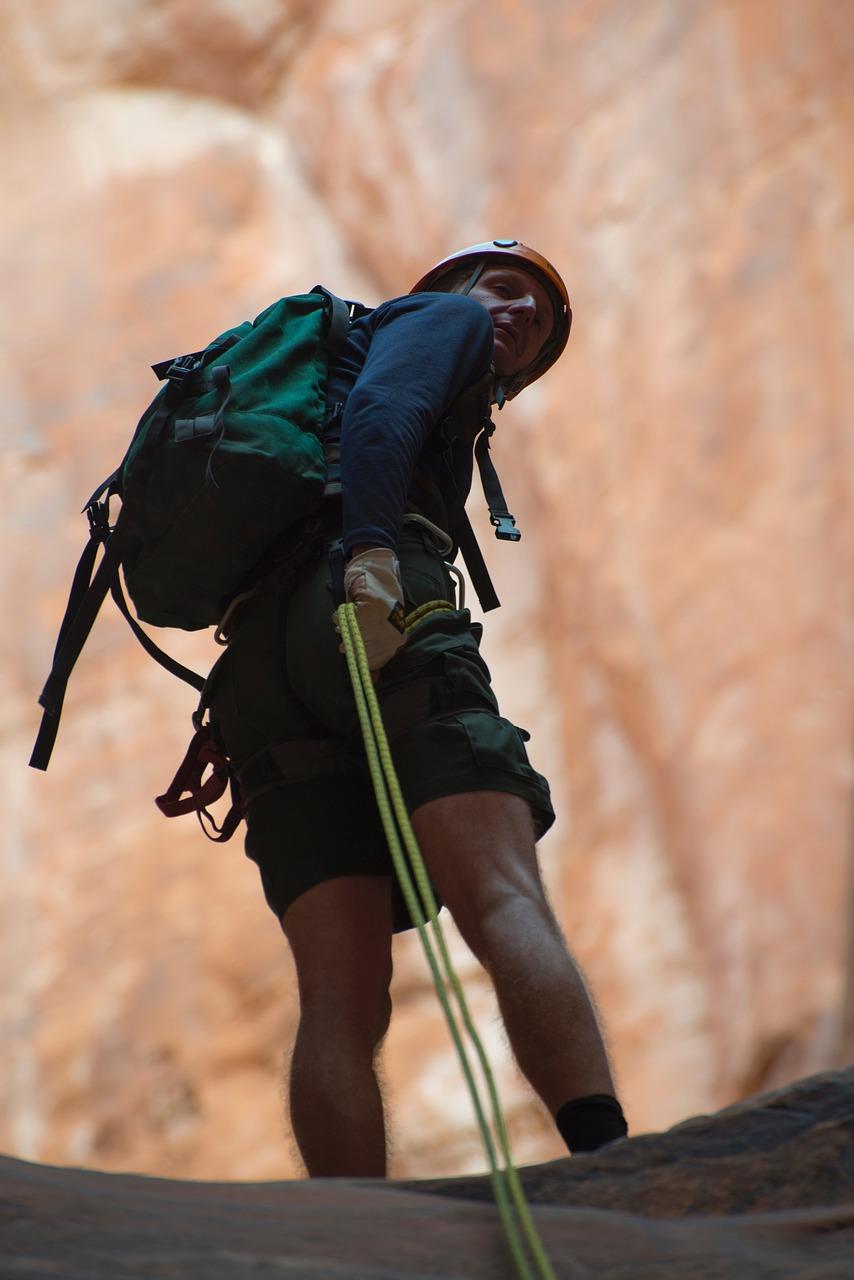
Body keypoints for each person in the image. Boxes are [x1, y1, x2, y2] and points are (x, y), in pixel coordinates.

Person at [207, 239, 628, 1177]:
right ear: (453, 293)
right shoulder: (444, 323)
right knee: (504, 892)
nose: (520, 317)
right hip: (369, 590)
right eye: (506, 291)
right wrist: (370, 559)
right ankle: (611, 1164)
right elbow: (387, 411)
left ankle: (358, 1230)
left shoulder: (367, 353)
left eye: (543, 319)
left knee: (338, 992)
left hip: (261, 663)